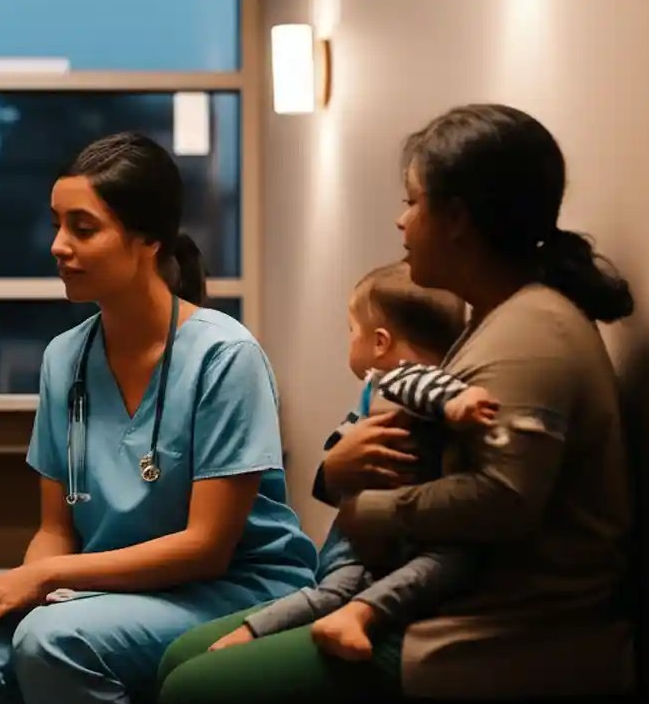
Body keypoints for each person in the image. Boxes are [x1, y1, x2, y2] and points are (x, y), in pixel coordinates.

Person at [157, 103, 636, 704]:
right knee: (179, 656)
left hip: (499, 635)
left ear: (457, 218)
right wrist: (339, 473)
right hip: (431, 600)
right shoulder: (493, 320)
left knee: (190, 691)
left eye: (412, 202)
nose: (401, 221)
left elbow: (505, 502)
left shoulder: (531, 335)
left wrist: (368, 510)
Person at [0, 132, 317, 704]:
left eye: (83, 229)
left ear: (148, 240)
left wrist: (47, 583)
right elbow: (56, 529)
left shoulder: (224, 356)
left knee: (53, 641)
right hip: (106, 587)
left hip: (228, 588)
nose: (58, 246)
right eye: (57, 224)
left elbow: (206, 549)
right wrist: (34, 587)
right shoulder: (66, 358)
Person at [202, 262, 498, 667]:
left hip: (369, 539)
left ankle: (254, 632)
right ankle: (253, 633)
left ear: (380, 342)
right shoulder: (383, 387)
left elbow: (425, 383)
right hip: (365, 539)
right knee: (336, 593)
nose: (349, 340)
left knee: (332, 594)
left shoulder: (401, 379)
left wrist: (458, 401)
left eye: (351, 330)